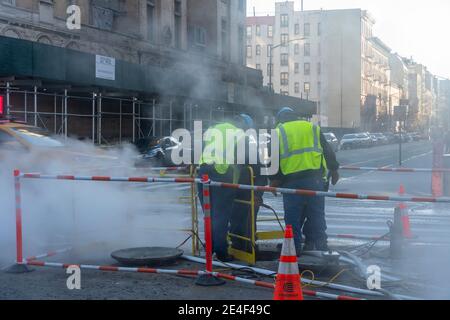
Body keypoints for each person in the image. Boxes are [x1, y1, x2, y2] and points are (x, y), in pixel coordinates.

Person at [270, 107, 340, 255]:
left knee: (292, 218)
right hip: (314, 179)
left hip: (291, 182)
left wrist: (274, 181)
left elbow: (273, 159)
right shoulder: (312, 127)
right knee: (317, 214)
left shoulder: (278, 131)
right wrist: (334, 170)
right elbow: (327, 150)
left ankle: (294, 250)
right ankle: (322, 247)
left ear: (280, 119)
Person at [197, 116, 248, 262]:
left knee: (209, 214)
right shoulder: (239, 133)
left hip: (203, 172)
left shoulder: (212, 129)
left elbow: (199, 148)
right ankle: (220, 251)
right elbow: (244, 159)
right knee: (220, 215)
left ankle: (210, 247)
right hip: (222, 173)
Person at [229, 114, 267, 254]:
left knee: (246, 223)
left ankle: (246, 249)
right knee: (239, 222)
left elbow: (260, 170)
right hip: (237, 191)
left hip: (246, 192)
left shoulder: (247, 144)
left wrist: (257, 194)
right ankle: (240, 248)